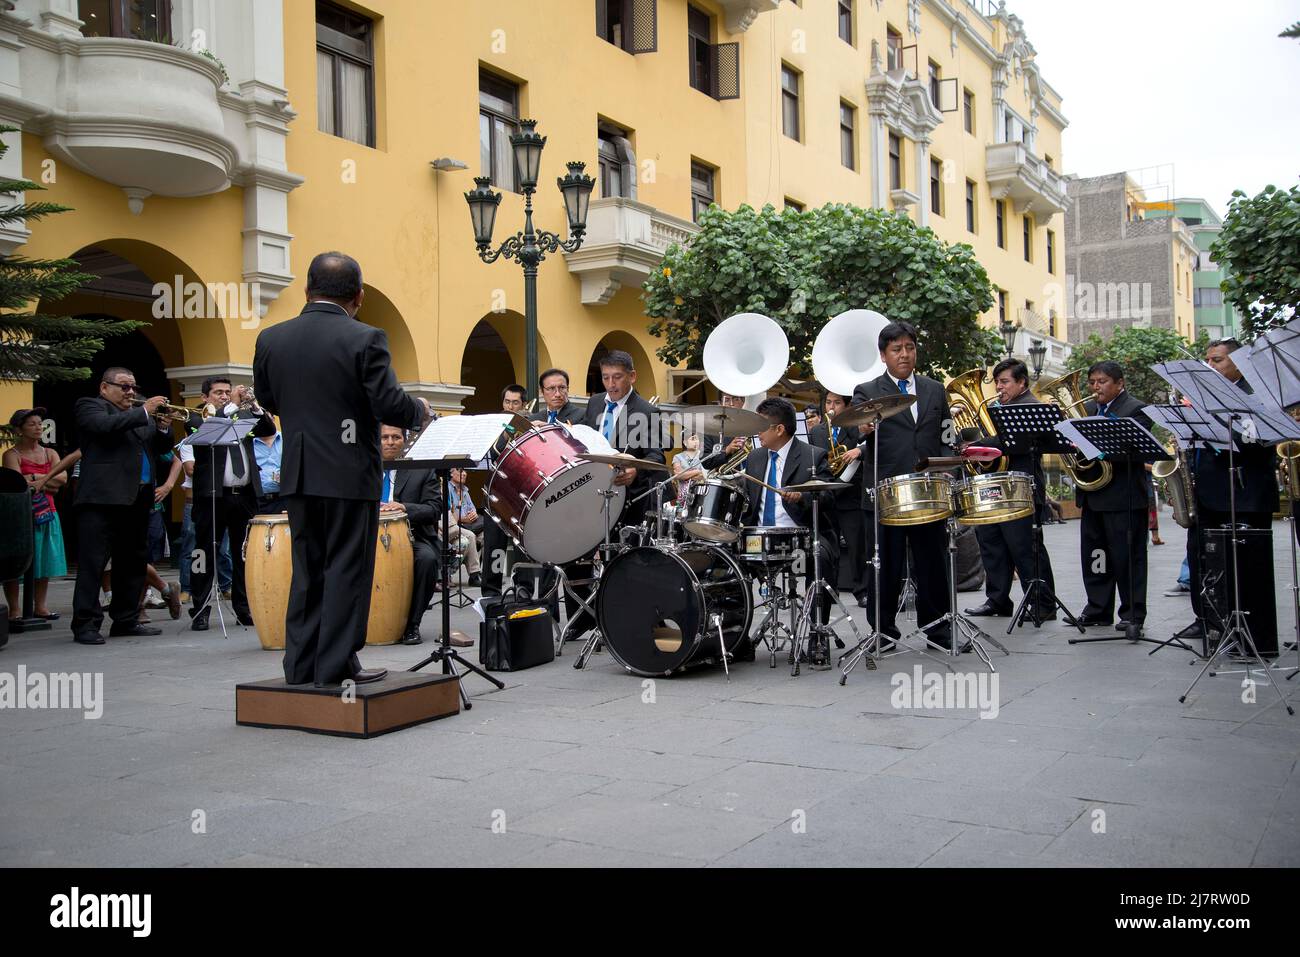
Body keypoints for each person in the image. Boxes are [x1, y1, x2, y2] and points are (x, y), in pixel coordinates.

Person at [253, 251, 430, 687]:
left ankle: (300, 666)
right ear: (359, 296)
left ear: (306, 290)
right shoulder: (365, 338)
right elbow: (388, 404)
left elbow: (269, 400)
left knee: (308, 570)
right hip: (349, 474)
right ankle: (333, 668)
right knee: (347, 570)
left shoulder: (271, 338)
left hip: (298, 473)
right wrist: (420, 410)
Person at [852, 322, 960, 651]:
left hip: (928, 491)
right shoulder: (867, 390)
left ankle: (939, 631)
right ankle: (883, 633)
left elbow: (946, 435)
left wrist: (947, 469)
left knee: (933, 565)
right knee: (884, 566)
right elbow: (855, 432)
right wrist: (864, 428)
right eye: (896, 349)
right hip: (886, 493)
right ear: (883, 355)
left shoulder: (933, 388)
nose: (904, 354)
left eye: (910, 347)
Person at [1171, 338, 1280, 652]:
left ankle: (1251, 635)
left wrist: (1209, 421)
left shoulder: (1255, 394)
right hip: (1208, 492)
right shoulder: (1206, 397)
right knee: (1203, 559)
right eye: (1208, 360)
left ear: (1238, 362)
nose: (1210, 366)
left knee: (1246, 571)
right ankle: (1209, 620)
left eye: (1217, 360)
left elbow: (1255, 440)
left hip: (1243, 493)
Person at [69, 368, 175, 643]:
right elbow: (103, 428)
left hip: (137, 499)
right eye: (124, 387)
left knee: (133, 563)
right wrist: (144, 412)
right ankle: (85, 624)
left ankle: (126, 619)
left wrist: (162, 424)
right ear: (104, 388)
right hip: (101, 499)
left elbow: (160, 445)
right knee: (94, 564)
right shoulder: (90, 406)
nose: (131, 392)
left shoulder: (140, 415)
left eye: (133, 388)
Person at [739, 397, 840, 662]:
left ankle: (818, 635)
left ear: (779, 429)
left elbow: (829, 496)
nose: (757, 432)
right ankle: (734, 637)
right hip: (758, 537)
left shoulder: (812, 455)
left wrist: (804, 497)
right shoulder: (755, 457)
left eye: (762, 426)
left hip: (800, 537)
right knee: (725, 564)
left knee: (821, 559)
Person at [961, 358, 1058, 621]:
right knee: (992, 544)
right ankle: (998, 599)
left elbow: (1008, 444)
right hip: (996, 487)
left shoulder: (1031, 408)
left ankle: (1043, 604)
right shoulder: (996, 408)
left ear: (1022, 382)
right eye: (997, 383)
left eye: (1004, 382)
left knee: (1026, 548)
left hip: (1022, 488)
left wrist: (979, 444)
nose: (999, 388)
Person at [182, 376, 277, 631]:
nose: (224, 396)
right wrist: (232, 406)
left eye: (227, 392)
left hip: (244, 495)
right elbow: (202, 435)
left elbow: (269, 430)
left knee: (242, 553)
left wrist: (254, 407)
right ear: (205, 398)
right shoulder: (196, 418)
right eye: (218, 393)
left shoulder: (242, 418)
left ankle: (243, 608)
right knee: (204, 552)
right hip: (212, 497)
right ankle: (200, 608)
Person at [1074, 361, 1153, 636]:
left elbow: (1138, 450)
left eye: (1102, 381)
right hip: (1094, 495)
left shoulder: (1136, 409)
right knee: (1095, 556)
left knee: (1127, 558)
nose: (1096, 387)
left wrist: (1099, 446)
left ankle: (1132, 613)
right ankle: (1098, 609)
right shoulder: (1089, 410)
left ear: (1120, 383)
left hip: (1124, 497)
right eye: (1093, 381)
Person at [581, 349, 666, 529]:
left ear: (632, 376)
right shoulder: (594, 402)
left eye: (617, 377)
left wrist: (635, 470)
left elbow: (656, 457)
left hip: (627, 500)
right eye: (605, 377)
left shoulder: (648, 412)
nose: (611, 384)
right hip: (592, 492)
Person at [379, 424, 443, 645]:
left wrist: (404, 507)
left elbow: (434, 509)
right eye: (384, 437)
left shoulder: (421, 470)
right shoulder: (362, 468)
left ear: (404, 441)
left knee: (427, 560)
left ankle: (412, 624)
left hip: (411, 537)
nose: (390, 441)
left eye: (396, 437)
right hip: (367, 537)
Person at [3, 409, 68, 622]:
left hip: (48, 511)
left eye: (40, 423)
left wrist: (35, 478)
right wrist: (46, 481)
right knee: (15, 563)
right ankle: (15, 609)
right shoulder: (11, 455)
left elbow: (63, 479)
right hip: (21, 515)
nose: (38, 427)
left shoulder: (50, 453)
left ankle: (40, 606)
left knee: (44, 559)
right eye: (32, 424)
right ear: (19, 429)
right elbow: (17, 483)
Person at [807, 391, 867, 604]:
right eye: (829, 402)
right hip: (827, 495)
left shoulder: (854, 426)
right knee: (828, 547)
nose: (832, 407)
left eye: (837, 403)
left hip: (850, 493)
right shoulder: (818, 431)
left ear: (846, 406)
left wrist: (858, 448)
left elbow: (868, 445)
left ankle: (862, 591)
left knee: (856, 546)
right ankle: (830, 591)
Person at [480, 383, 528, 597]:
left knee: (521, 548)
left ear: (523, 404)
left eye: (515, 402)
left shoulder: (528, 426)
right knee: (494, 548)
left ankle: (522, 591)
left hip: (519, 496)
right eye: (507, 402)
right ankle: (491, 593)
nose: (510, 406)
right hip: (495, 492)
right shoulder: (493, 425)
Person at [446, 467, 483, 584]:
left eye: (465, 471)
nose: (465, 474)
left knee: (487, 537)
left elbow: (473, 510)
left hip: (469, 525)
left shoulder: (465, 491)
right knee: (471, 536)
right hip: (454, 527)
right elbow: (452, 516)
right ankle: (474, 574)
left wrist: (474, 515)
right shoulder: (446, 489)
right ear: (451, 473)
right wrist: (465, 519)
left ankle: (486, 574)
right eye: (460, 471)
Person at [253, 425, 284, 514]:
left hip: (283, 499)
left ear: (273, 419)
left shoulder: (286, 438)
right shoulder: (248, 442)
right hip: (257, 501)